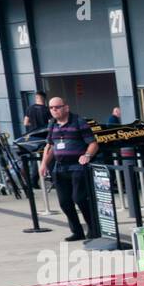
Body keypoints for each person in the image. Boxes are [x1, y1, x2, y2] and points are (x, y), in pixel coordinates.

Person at [39, 96, 99, 241]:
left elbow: (93, 143)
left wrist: (87, 155)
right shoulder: (52, 124)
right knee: (64, 202)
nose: (54, 110)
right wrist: (44, 164)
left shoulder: (78, 121)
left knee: (80, 198)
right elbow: (51, 146)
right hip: (59, 168)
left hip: (77, 167)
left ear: (66, 107)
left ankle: (93, 229)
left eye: (57, 107)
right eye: (51, 108)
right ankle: (77, 231)